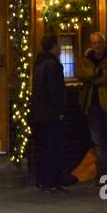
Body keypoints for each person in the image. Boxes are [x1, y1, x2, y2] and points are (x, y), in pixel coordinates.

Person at [77, 32, 107, 190]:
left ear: (104, 43)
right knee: (99, 144)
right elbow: (80, 73)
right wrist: (96, 73)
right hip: (92, 106)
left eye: (100, 42)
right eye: (94, 43)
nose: (97, 46)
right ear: (91, 45)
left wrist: (93, 78)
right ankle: (105, 177)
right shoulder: (87, 58)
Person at [31, 34, 67, 193]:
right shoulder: (54, 66)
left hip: (40, 113)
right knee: (53, 148)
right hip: (51, 114)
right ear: (53, 46)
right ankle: (50, 182)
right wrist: (60, 110)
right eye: (58, 45)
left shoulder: (39, 65)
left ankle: (42, 181)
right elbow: (55, 91)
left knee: (44, 147)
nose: (60, 48)